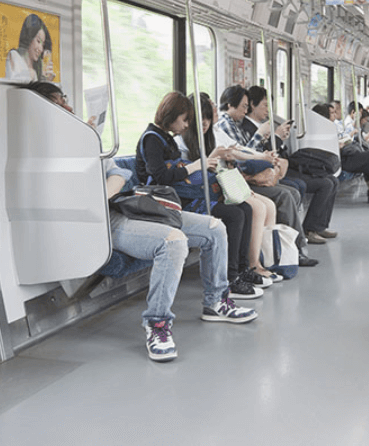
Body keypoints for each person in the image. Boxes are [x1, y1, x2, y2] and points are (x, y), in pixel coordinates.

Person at [24, 82, 257, 363]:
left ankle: (216, 301)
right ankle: (157, 323)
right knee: (173, 243)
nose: (69, 107)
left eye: (66, 99)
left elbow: (118, 173)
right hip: (102, 219)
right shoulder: (39, 149)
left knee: (214, 228)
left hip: (123, 203)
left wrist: (105, 193)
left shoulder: (83, 140)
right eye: (60, 102)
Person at [135, 91, 278, 296]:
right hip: (168, 202)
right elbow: (161, 176)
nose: (186, 125)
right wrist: (196, 167)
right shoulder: (152, 139)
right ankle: (231, 277)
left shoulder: (167, 139)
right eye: (185, 120)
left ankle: (242, 269)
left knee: (245, 209)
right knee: (235, 214)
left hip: (182, 194)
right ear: (172, 116)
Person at [214, 85, 319, 266]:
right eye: (244, 106)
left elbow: (243, 151)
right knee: (285, 194)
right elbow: (242, 158)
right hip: (237, 180)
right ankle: (289, 250)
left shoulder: (235, 125)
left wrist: (267, 158)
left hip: (244, 175)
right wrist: (262, 142)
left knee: (293, 191)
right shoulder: (225, 126)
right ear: (231, 104)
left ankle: (286, 248)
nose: (245, 110)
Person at [243, 86, 339, 245]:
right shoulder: (249, 128)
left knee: (332, 180)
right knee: (323, 184)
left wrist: (281, 140)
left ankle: (318, 225)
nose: (268, 109)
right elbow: (257, 155)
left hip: (282, 167)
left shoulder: (265, 125)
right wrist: (277, 138)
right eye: (265, 105)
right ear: (252, 105)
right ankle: (307, 230)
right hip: (270, 172)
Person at [6, 14, 54, 82]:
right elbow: (14, 82)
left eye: (43, 45)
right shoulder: (14, 56)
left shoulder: (37, 66)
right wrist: (32, 73)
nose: (40, 49)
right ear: (29, 38)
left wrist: (46, 80)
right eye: (38, 41)